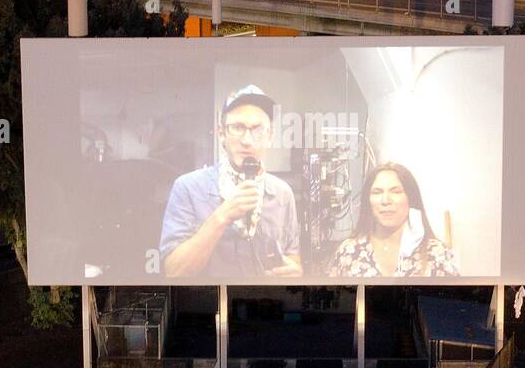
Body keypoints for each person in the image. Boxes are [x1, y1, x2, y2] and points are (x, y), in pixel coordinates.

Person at [159, 85, 302, 278]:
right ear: (221, 134)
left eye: (258, 129)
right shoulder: (188, 188)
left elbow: (292, 259)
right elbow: (174, 272)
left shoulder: (282, 193)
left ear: (270, 137)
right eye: (237, 128)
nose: (247, 140)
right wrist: (222, 216)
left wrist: (295, 273)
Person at [327, 163, 460, 277]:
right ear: (368, 201)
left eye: (396, 192)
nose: (385, 201)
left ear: (411, 199)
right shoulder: (348, 251)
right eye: (377, 192)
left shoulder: (436, 254)